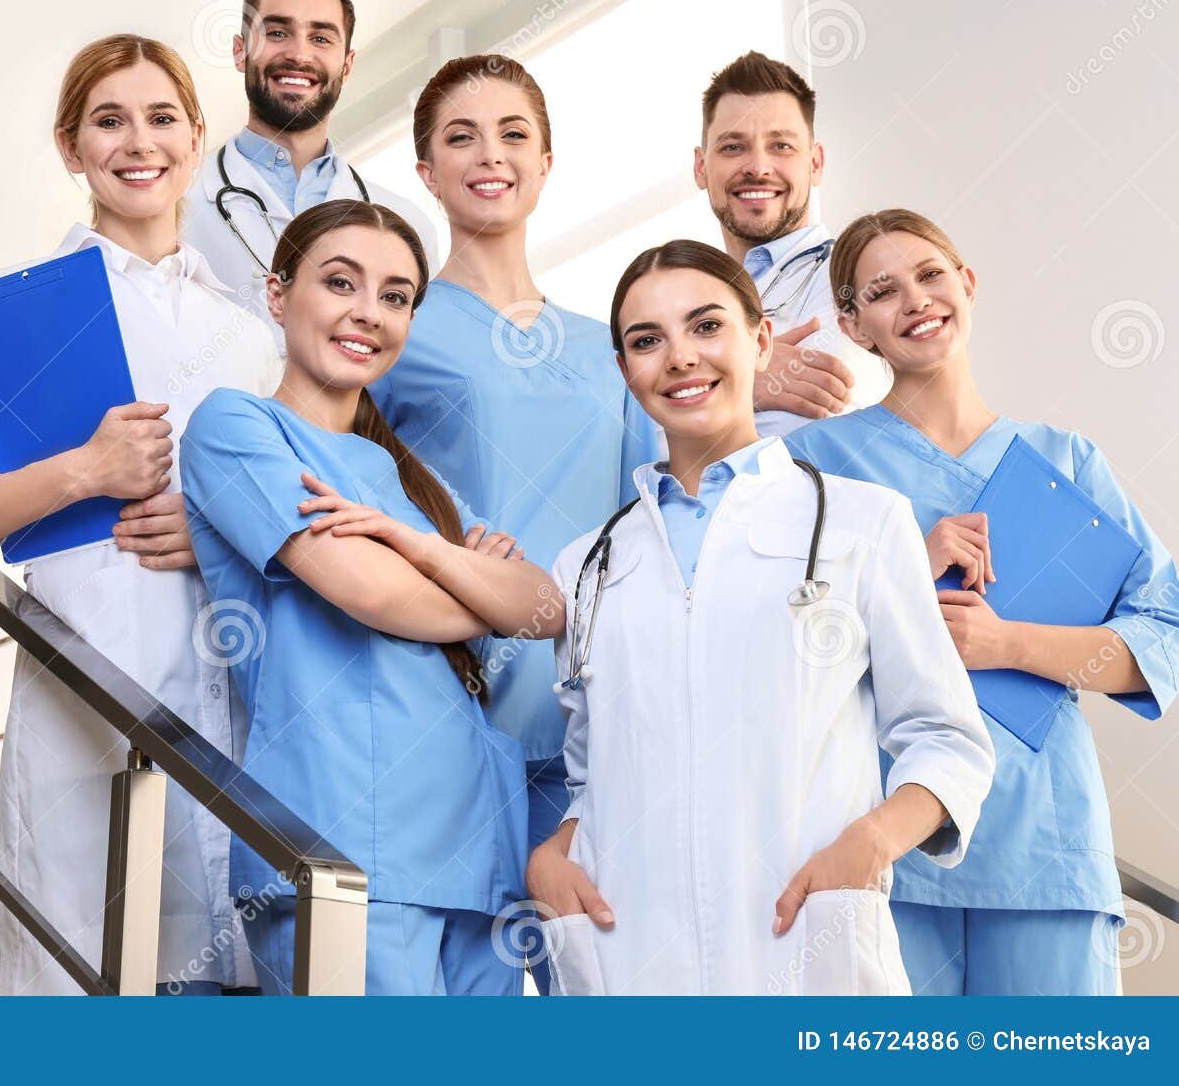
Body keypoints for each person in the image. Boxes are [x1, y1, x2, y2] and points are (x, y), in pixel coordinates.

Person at [0, 34, 281, 995]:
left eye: (161, 119)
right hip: (89, 693)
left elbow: (297, 510)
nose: (137, 142)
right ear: (72, 148)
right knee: (86, 983)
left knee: (235, 986)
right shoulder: (29, 315)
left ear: (198, 140)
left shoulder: (251, 337)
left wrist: (219, 531)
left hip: (242, 696)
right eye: (108, 120)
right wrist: (84, 469)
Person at [526, 239, 995, 995]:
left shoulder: (861, 523)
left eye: (706, 326)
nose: (680, 357)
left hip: (806, 945)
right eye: (648, 340)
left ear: (761, 338)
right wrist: (554, 854)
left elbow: (945, 739)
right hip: (634, 951)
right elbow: (596, 771)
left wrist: (870, 844)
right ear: (625, 370)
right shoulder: (587, 565)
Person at [786, 209, 1179, 994]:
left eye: (931, 275)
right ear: (854, 327)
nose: (916, 300)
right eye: (883, 291)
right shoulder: (813, 462)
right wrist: (903, 573)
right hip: (882, 840)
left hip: (1045, 843)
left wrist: (1009, 644)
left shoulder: (1065, 462)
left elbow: (1165, 632)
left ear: (966, 284)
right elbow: (769, 641)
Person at [181, 199, 561, 995]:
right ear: (278, 294)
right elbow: (368, 592)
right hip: (344, 845)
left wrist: (419, 546)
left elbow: (544, 606)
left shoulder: (415, 485)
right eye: (341, 282)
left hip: (476, 858)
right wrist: (466, 579)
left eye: (395, 296)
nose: (368, 312)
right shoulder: (235, 427)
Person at [363, 54, 655, 991]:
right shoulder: (394, 331)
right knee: (470, 991)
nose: (489, 155)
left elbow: (644, 518)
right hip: (454, 700)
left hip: (591, 710)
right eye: (461, 136)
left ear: (547, 158)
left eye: (513, 134)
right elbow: (340, 470)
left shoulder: (609, 346)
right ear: (426, 173)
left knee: (607, 985)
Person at [182, 0, 437, 348]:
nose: (299, 55)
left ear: (347, 65)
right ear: (239, 51)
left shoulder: (410, 225)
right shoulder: (179, 208)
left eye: (321, 38)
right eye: (278, 32)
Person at [693, 51, 889, 435]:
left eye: (781, 146)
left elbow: (812, 415)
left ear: (815, 164)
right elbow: (631, 431)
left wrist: (712, 383)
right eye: (733, 147)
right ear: (701, 167)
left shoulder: (855, 275)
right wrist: (744, 378)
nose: (758, 167)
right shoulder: (687, 294)